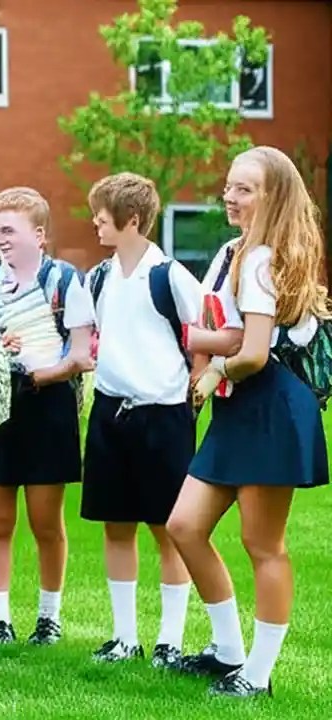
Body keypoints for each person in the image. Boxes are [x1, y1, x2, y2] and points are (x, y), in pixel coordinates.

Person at [168, 146, 330, 698]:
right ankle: (227, 652)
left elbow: (255, 351)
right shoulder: (235, 250)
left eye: (245, 189)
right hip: (242, 405)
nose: (230, 196)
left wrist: (210, 363)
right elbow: (215, 328)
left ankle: (256, 676)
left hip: (269, 404)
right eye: (229, 186)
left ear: (273, 197)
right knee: (185, 526)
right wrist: (208, 345)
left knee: (263, 545)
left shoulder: (263, 258)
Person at [81, 172, 198, 667]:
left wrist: (196, 391)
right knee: (117, 526)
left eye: (102, 217)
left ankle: (170, 640)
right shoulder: (98, 277)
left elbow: (200, 339)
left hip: (164, 416)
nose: (94, 224)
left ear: (131, 220)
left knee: (167, 529)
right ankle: (125, 637)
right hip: (111, 412)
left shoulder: (169, 276)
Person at [0, 187, 94, 646]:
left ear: (39, 234)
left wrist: (44, 373)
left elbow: (81, 355)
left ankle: (49, 616)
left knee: (46, 521)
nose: (0, 239)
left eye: (10, 230)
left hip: (49, 406)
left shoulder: (65, 280)